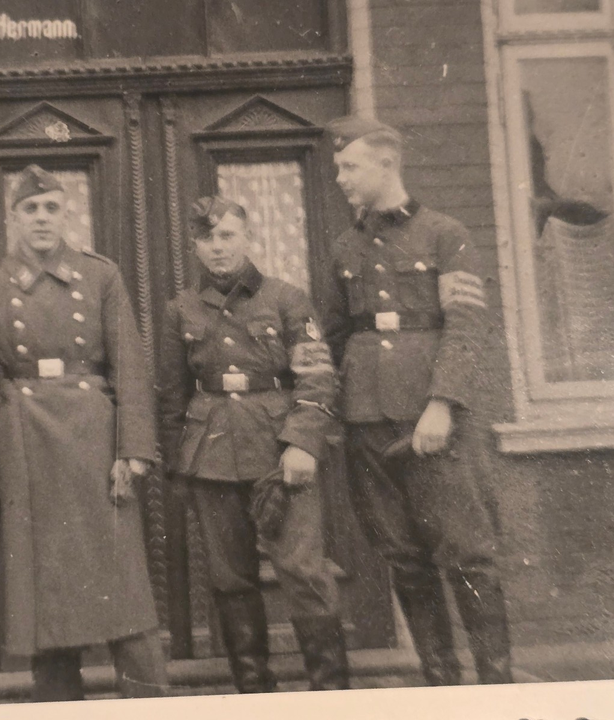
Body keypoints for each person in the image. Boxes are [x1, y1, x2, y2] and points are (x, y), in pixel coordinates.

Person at [0, 165, 167, 701]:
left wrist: (134, 450)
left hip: (95, 443)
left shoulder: (99, 276)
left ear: (66, 213)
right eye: (30, 209)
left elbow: (130, 367)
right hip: (25, 447)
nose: (42, 219)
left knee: (123, 585)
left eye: (51, 207)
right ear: (14, 218)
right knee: (45, 589)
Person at [321, 116, 513, 685]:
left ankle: (497, 691)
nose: (340, 178)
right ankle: (440, 688)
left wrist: (443, 403)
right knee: (404, 559)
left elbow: (467, 326)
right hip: (366, 421)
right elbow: (331, 338)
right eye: (337, 168)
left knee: (468, 555)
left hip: (434, 423)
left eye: (349, 166)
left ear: (387, 163)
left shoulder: (445, 235)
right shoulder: (343, 247)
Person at [158, 196, 349, 693]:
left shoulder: (286, 299)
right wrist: (179, 469)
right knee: (230, 579)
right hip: (211, 454)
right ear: (195, 246)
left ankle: (331, 694)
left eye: (227, 236)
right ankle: (255, 694)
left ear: (246, 238)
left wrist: (304, 442)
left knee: (303, 570)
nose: (218, 247)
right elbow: (172, 397)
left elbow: (316, 377)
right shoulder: (180, 310)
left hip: (280, 450)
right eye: (207, 238)